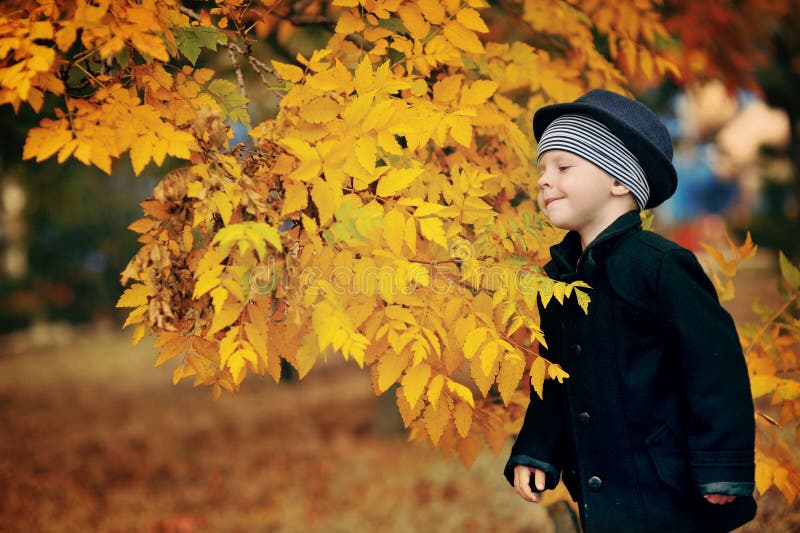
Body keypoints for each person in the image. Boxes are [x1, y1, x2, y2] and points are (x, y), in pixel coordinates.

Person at [504, 89, 757, 533]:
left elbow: (715, 367)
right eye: (541, 169)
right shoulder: (557, 276)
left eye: (563, 167)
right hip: (601, 487)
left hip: (666, 486)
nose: (544, 180)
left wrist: (722, 463)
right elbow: (554, 375)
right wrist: (537, 447)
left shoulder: (661, 266)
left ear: (619, 181)